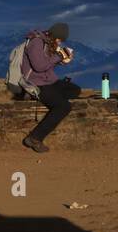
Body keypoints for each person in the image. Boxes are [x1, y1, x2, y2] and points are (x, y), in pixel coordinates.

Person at [20, 22, 81, 153]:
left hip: (48, 81)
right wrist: (59, 56)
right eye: (59, 39)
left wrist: (62, 60)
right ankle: (35, 138)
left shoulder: (48, 43)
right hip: (36, 84)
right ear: (55, 35)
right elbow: (39, 66)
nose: (59, 42)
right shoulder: (36, 42)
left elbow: (47, 66)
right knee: (63, 107)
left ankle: (52, 97)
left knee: (75, 90)